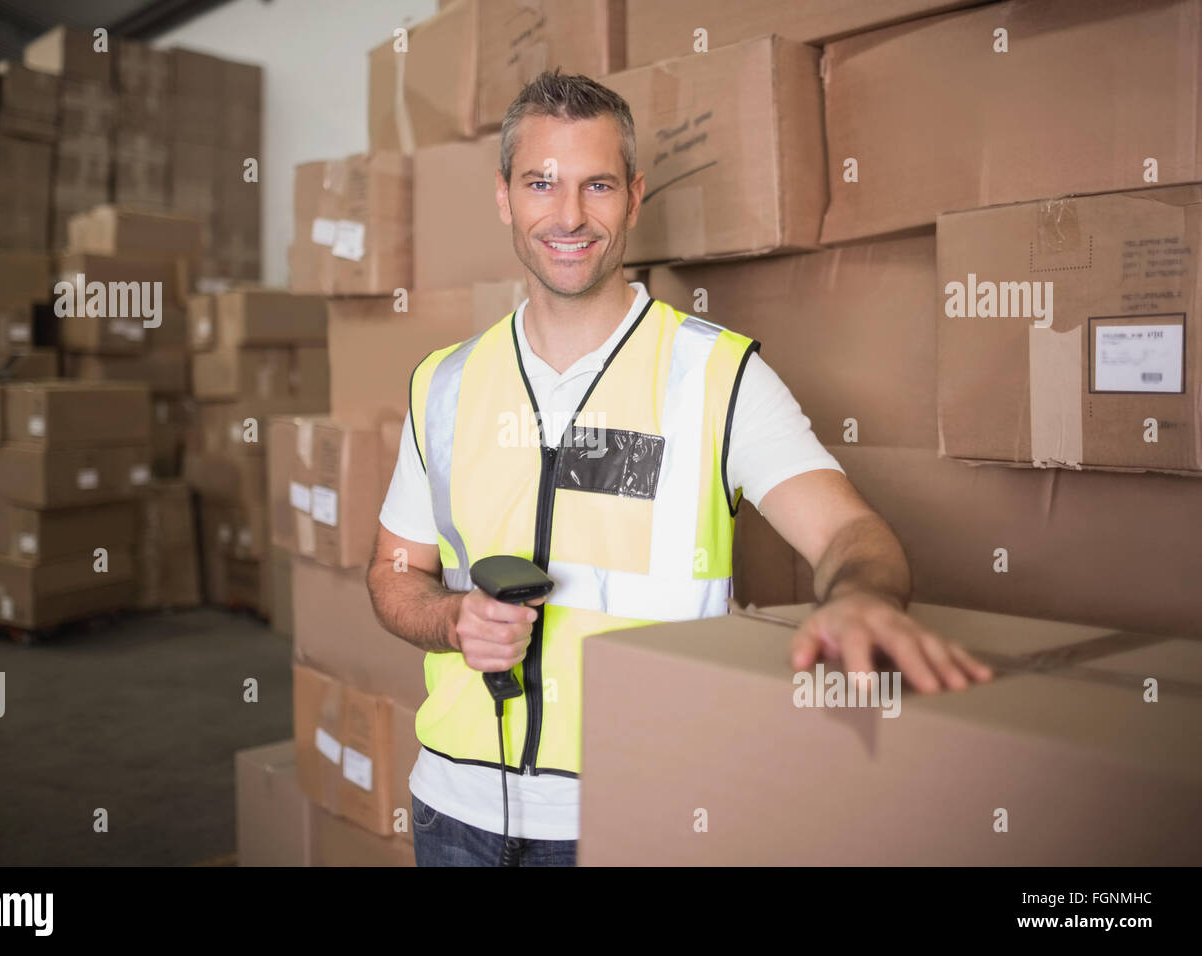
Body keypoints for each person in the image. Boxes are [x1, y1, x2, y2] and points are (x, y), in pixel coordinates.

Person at [366, 69, 993, 868]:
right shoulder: (444, 384)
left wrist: (863, 597)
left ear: (633, 198)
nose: (567, 215)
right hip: (455, 813)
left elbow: (848, 532)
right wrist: (451, 620)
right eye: (540, 183)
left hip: (646, 807)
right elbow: (394, 573)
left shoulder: (716, 376)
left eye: (596, 185)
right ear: (504, 197)